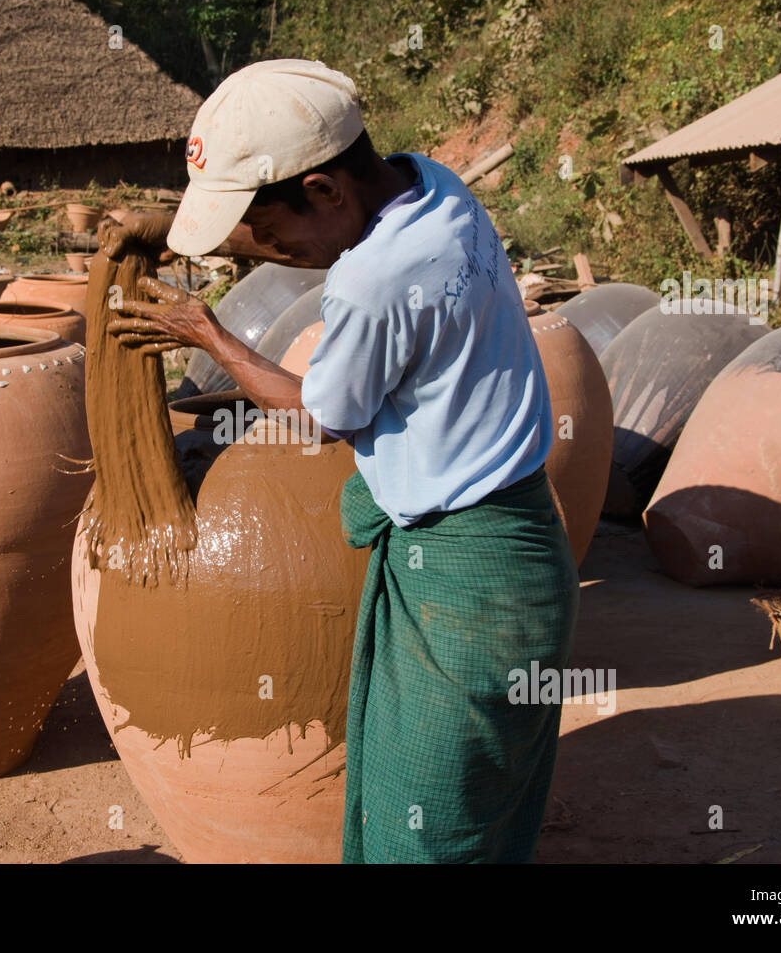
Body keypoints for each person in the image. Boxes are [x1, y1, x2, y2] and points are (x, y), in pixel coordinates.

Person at [107, 59, 580, 864]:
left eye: (269, 235)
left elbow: (323, 418)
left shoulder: (373, 277)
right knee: (468, 799)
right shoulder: (433, 185)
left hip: (469, 576)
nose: (269, 254)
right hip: (513, 548)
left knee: (427, 827)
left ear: (326, 191)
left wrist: (211, 338)